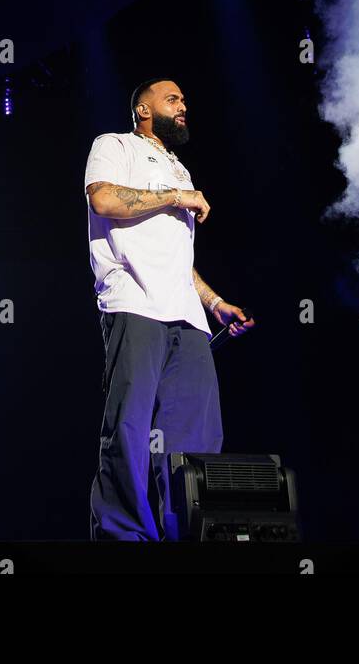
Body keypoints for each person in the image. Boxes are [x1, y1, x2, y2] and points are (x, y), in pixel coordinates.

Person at [84, 78, 255, 541]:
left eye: (184, 99)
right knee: (130, 428)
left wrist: (216, 303)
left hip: (188, 317)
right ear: (144, 109)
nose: (184, 106)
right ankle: (127, 536)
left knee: (196, 436)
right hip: (134, 303)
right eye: (173, 99)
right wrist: (178, 197)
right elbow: (102, 199)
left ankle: (192, 535)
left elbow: (179, 259)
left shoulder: (180, 168)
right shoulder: (114, 145)